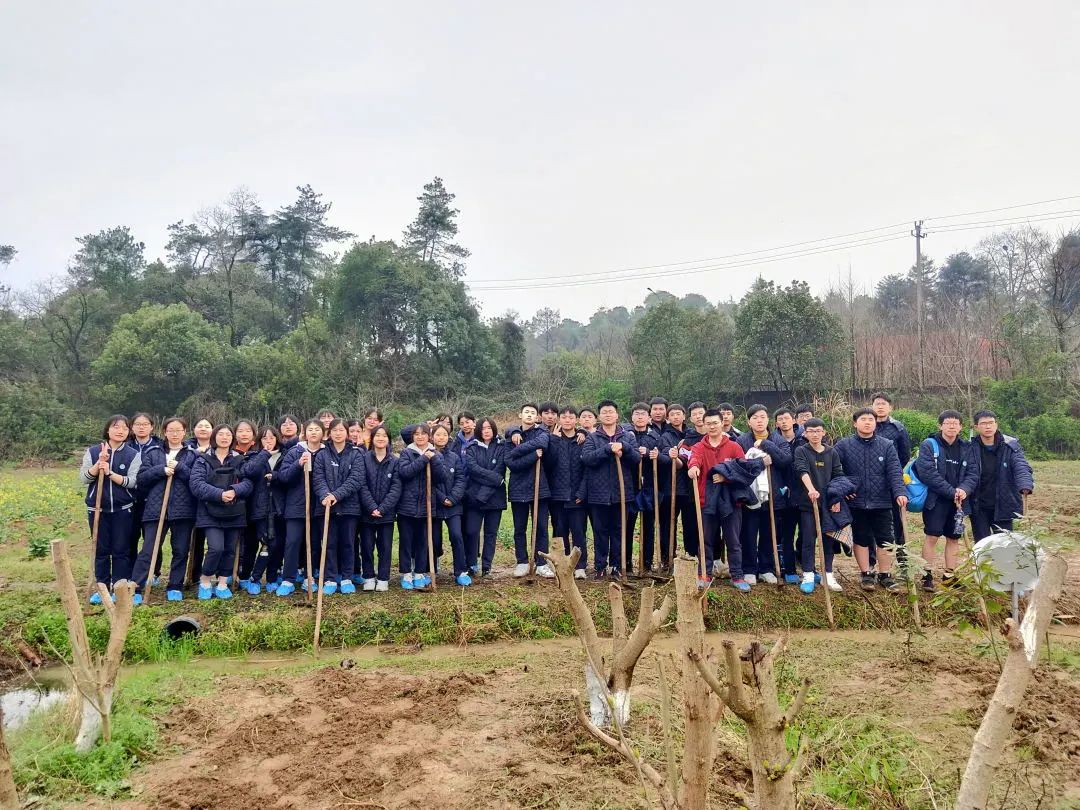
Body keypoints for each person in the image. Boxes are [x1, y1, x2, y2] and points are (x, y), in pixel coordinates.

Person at [188, 424, 267, 600]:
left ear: (232, 439)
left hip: (235, 511)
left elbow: (248, 482)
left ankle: (223, 582)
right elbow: (196, 484)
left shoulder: (240, 459)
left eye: (228, 435)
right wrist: (219, 494)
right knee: (216, 548)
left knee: (230, 549)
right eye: (221, 434)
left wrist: (234, 490)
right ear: (214, 437)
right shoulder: (202, 459)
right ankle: (205, 580)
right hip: (210, 512)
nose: (224, 438)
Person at [834, 409, 908, 592]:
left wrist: (900, 492)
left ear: (876, 423)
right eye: (863, 419)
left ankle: (885, 575)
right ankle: (866, 574)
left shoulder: (887, 445)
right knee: (861, 538)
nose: (867, 422)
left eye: (871, 419)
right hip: (856, 501)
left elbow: (895, 471)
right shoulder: (844, 445)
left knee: (885, 538)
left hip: (881, 500)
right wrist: (846, 488)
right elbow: (836, 469)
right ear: (855, 423)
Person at [131, 417, 196, 603]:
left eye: (178, 430)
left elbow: (196, 479)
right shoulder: (153, 453)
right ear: (164, 432)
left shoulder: (191, 455)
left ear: (184, 432)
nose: (174, 434)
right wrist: (161, 470)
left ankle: (175, 585)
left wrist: (180, 468)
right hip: (156, 509)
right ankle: (136, 586)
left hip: (183, 511)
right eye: (171, 430)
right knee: (149, 549)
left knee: (181, 549)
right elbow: (141, 479)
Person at [915, 410, 980, 591]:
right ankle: (926, 575)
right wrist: (952, 492)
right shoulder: (929, 445)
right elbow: (928, 474)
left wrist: (964, 490)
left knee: (953, 538)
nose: (952, 426)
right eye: (948, 423)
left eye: (955, 423)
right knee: (932, 536)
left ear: (960, 427)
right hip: (936, 500)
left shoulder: (967, 448)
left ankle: (949, 576)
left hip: (959, 502)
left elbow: (973, 474)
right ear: (940, 425)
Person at [80, 415, 141, 604]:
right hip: (97, 509)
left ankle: (119, 587)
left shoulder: (132, 454)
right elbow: (84, 478)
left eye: (124, 428)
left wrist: (110, 473)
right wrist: (99, 465)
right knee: (101, 549)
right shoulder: (93, 451)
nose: (120, 431)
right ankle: (102, 587)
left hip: (123, 509)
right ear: (108, 430)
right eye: (116, 427)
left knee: (121, 549)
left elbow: (133, 482)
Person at [687, 408, 749, 590]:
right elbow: (694, 460)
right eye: (708, 424)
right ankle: (704, 574)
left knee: (733, 539)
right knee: (705, 539)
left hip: (731, 500)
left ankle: (737, 575)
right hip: (707, 499)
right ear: (703, 425)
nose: (712, 426)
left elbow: (743, 471)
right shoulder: (699, 446)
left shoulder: (734, 446)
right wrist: (693, 468)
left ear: (722, 423)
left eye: (715, 423)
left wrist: (725, 477)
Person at [581, 400, 639, 579]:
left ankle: (616, 566)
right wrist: (607, 450)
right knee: (600, 531)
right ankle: (600, 566)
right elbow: (587, 459)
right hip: (598, 494)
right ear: (599, 416)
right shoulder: (593, 437)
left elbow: (636, 459)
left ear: (617, 415)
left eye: (611, 411)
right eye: (604, 412)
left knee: (619, 530)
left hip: (622, 493)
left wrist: (625, 450)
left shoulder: (628, 436)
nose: (607, 414)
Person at [736, 405, 791, 585]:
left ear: (768, 420)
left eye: (762, 417)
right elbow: (738, 465)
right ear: (748, 422)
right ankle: (749, 568)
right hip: (750, 495)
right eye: (755, 418)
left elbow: (785, 461)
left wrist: (767, 444)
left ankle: (766, 568)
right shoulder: (742, 440)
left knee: (769, 533)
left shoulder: (778, 439)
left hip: (774, 495)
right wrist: (760, 462)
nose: (759, 421)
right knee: (749, 533)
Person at [272, 420, 326, 596]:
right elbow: (283, 477)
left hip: (318, 506)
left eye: (317, 429)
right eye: (310, 429)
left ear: (323, 433)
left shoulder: (327, 452)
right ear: (304, 432)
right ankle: (288, 579)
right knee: (292, 542)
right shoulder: (296, 451)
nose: (313, 432)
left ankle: (309, 577)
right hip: (296, 506)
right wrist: (298, 464)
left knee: (314, 544)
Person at [312, 419, 365, 595]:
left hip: (350, 508)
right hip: (326, 507)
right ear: (330, 433)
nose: (338, 433)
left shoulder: (356, 454)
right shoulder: (321, 454)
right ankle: (330, 578)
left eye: (341, 430)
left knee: (348, 543)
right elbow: (318, 479)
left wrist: (337, 495)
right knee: (329, 543)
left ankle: (347, 577)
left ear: (347, 433)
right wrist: (326, 495)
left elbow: (356, 479)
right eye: (334, 430)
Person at [793, 418, 844, 593]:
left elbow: (838, 476)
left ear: (823, 433)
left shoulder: (831, 452)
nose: (815, 434)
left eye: (818, 431)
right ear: (805, 434)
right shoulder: (801, 451)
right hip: (809, 504)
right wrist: (811, 490)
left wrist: (836, 499)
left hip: (828, 505)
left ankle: (827, 574)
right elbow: (802, 470)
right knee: (808, 538)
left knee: (828, 540)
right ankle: (808, 573)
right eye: (811, 431)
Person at [506, 403, 555, 578]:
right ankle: (522, 562)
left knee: (541, 527)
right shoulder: (511, 436)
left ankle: (541, 563)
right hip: (518, 488)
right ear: (520, 415)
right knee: (520, 528)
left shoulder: (542, 433)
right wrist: (533, 455)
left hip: (539, 488)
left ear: (537, 417)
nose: (529, 415)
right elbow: (511, 462)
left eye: (533, 413)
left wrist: (519, 451)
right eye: (526, 412)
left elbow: (543, 443)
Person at [970, 410, 1034, 541]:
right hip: (978, 505)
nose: (988, 426)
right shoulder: (970, 447)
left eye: (991, 423)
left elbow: (1021, 465)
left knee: (1005, 543)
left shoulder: (1010, 446)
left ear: (996, 424)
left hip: (1004, 503)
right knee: (982, 543)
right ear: (976, 427)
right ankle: (982, 562)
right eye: (983, 423)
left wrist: (1025, 484)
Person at [396, 424, 444, 589]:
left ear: (429, 436)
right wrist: (423, 459)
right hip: (406, 507)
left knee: (423, 542)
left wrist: (433, 459)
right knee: (406, 541)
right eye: (416, 434)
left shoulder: (436, 454)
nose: (420, 437)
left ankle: (420, 572)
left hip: (427, 506)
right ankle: (406, 573)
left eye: (424, 434)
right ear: (413, 436)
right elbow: (405, 472)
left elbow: (441, 477)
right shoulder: (406, 453)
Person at [357, 425, 401, 591]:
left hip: (387, 514)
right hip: (366, 513)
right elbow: (361, 484)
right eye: (378, 435)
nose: (381, 438)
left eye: (384, 435)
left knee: (385, 547)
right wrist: (371, 507)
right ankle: (368, 576)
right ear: (372, 438)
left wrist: (382, 508)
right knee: (367, 546)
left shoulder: (395, 461)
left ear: (388, 439)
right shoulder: (363, 458)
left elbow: (396, 487)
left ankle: (383, 578)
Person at [546, 407, 588, 578]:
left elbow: (588, 469)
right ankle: (562, 565)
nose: (567, 420)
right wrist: (554, 441)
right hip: (557, 495)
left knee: (579, 532)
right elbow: (548, 465)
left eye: (571, 417)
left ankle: (579, 566)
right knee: (559, 531)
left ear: (576, 420)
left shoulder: (582, 440)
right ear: (559, 420)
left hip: (577, 495)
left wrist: (582, 492)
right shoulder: (553, 438)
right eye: (564, 417)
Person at [872, 392, 913, 562]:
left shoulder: (898, 428)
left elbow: (905, 454)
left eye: (884, 404)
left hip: (892, 481)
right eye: (877, 404)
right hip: (872, 481)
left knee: (898, 521)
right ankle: (873, 561)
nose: (880, 407)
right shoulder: (867, 424)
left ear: (890, 407)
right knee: (874, 521)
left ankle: (903, 560)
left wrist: (894, 472)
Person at [464, 418, 507, 577]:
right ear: (479, 431)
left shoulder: (502, 446)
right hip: (474, 498)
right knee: (471, 531)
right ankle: (472, 563)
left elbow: (501, 468)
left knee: (491, 533)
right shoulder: (472, 447)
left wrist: (491, 483)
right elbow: (473, 469)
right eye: (483, 428)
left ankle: (487, 566)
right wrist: (494, 479)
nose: (487, 431)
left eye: (489, 428)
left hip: (495, 498)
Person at [661, 403, 702, 564]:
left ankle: (691, 556)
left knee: (691, 524)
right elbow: (665, 458)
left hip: (691, 488)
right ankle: (667, 558)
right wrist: (671, 456)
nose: (676, 417)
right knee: (668, 525)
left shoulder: (692, 434)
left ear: (685, 417)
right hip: (671, 488)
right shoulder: (665, 436)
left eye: (679, 414)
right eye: (672, 414)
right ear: (668, 418)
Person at [246, 426, 285, 594]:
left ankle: (271, 577)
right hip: (261, 507)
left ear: (277, 438)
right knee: (268, 542)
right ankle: (255, 577)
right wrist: (264, 454)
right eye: (264, 438)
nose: (268, 441)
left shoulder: (286, 455)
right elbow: (249, 472)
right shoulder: (254, 456)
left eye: (271, 437)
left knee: (279, 544)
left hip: (281, 506)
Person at [431, 424, 471, 585]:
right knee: (433, 539)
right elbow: (430, 483)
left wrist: (452, 498)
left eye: (444, 435)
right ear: (432, 436)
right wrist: (442, 499)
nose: (441, 437)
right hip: (434, 505)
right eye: (438, 434)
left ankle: (460, 571)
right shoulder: (428, 455)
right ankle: (430, 569)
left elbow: (461, 479)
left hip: (454, 505)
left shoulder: (454, 457)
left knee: (456, 535)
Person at [629, 402, 665, 571]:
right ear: (632, 417)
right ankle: (626, 563)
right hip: (629, 486)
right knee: (628, 525)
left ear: (649, 417)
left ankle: (647, 563)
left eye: (643, 414)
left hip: (651, 486)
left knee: (648, 527)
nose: (640, 417)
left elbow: (664, 458)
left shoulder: (657, 437)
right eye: (637, 414)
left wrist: (651, 454)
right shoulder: (625, 435)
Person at [771, 407, 805, 583]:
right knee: (786, 533)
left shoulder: (804, 439)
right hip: (781, 492)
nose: (783, 422)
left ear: (794, 420)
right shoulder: (773, 440)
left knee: (806, 534)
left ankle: (808, 568)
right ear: (776, 423)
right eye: (780, 419)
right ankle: (788, 569)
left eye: (786, 418)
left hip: (803, 492)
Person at [127, 413, 161, 562]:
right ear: (132, 427)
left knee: (152, 537)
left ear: (152, 427)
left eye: (145, 424)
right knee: (130, 536)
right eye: (138, 424)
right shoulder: (126, 446)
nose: (141, 427)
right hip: (130, 497)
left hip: (153, 498)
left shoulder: (160, 446)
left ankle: (154, 571)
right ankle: (131, 570)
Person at [233, 419, 261, 584]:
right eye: (241, 431)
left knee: (251, 540)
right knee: (233, 540)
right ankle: (229, 572)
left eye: (248, 431)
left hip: (253, 503)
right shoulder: (229, 453)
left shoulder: (259, 453)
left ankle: (245, 574)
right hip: (232, 502)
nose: (244, 434)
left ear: (253, 435)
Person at [185, 418, 213, 579]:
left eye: (207, 426)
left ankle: (205, 572)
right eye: (199, 426)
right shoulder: (186, 449)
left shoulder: (218, 448)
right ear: (193, 429)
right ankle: (192, 573)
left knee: (209, 538)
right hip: (189, 499)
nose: (203, 429)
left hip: (210, 498)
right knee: (193, 540)